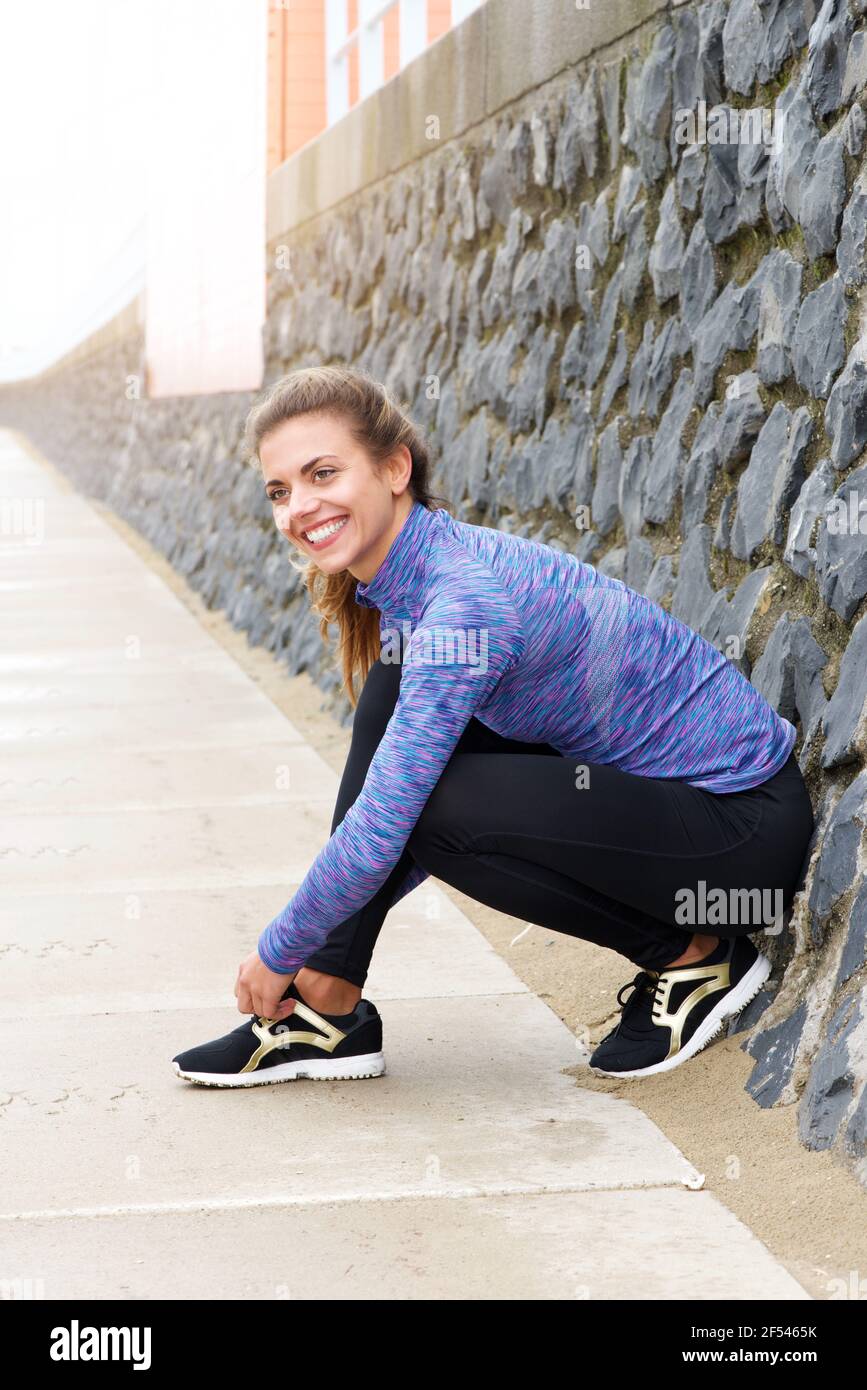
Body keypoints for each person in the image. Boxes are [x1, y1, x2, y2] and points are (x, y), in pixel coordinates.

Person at [171, 365, 816, 1087]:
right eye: (280, 491)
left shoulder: (459, 608)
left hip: (738, 831)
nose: (300, 507)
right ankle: (327, 1003)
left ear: (393, 468)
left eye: (323, 473)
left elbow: (388, 824)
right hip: (665, 806)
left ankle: (695, 958)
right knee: (396, 710)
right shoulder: (420, 585)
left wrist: (278, 950)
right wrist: (318, 945)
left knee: (431, 807)